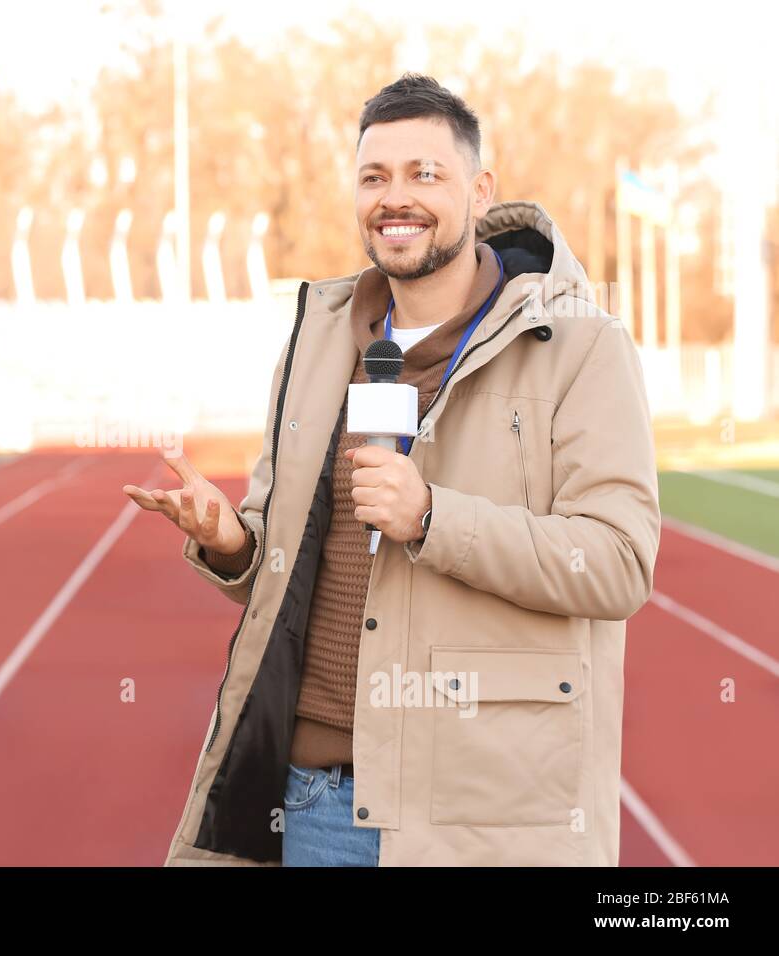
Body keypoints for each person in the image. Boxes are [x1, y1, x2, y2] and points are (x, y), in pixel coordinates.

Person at [123, 73, 660, 866]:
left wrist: (434, 519)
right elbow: (292, 555)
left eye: (423, 175)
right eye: (374, 177)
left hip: (478, 818)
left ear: (480, 193)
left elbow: (617, 563)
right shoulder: (321, 336)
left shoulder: (580, 344)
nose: (394, 198)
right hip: (313, 804)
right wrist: (234, 543)